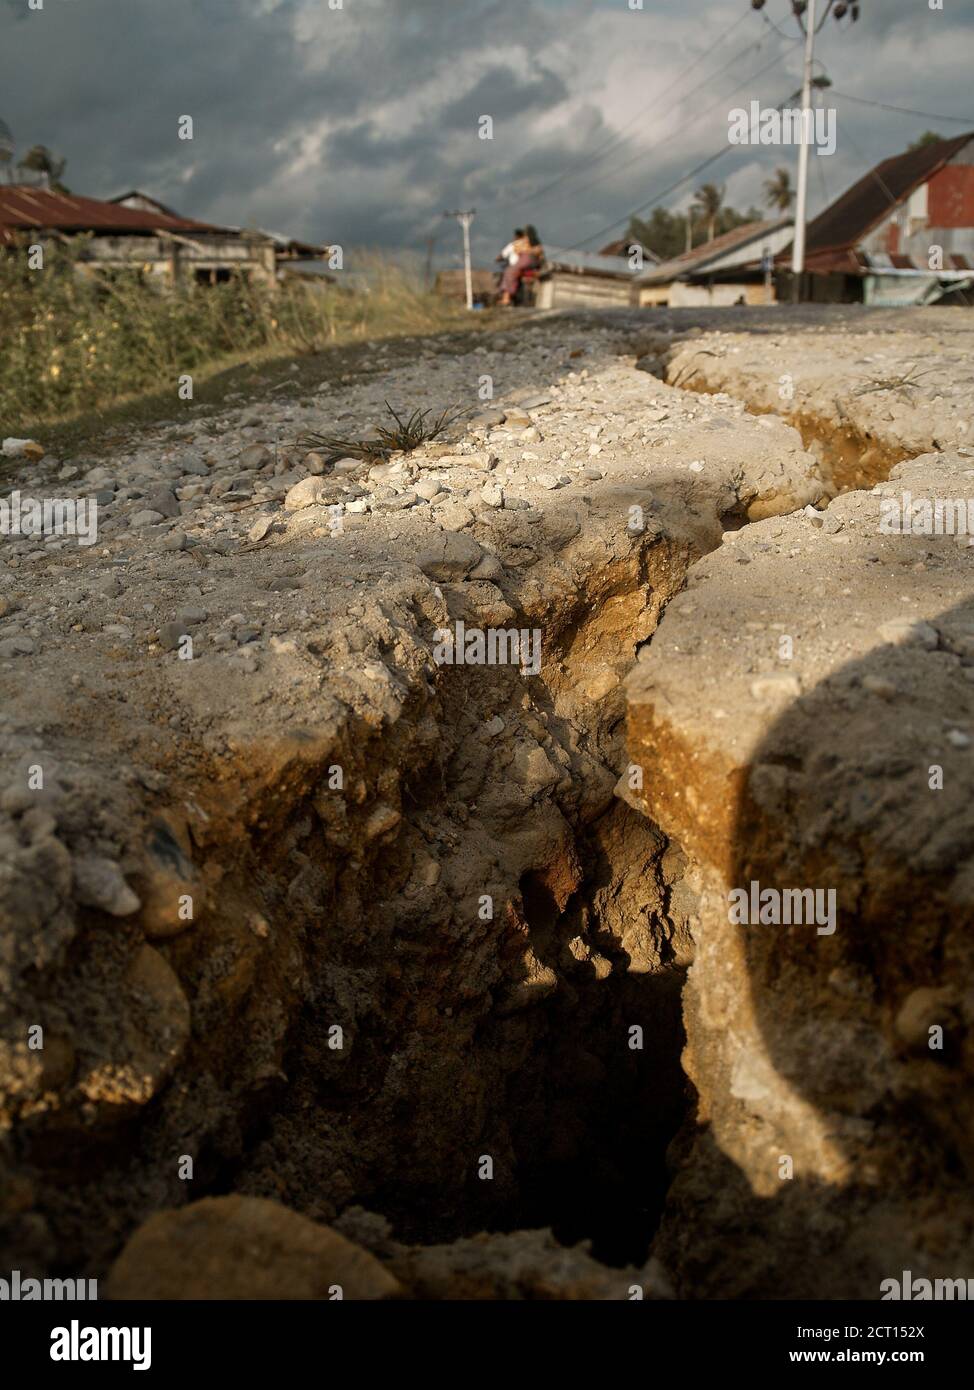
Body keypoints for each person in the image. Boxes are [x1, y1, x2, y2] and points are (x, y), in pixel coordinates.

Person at [498, 225, 543, 306]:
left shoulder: (519, 243)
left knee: (509, 272)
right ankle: (508, 297)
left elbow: (508, 252)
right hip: (531, 264)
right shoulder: (533, 242)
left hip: (525, 261)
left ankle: (506, 298)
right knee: (511, 271)